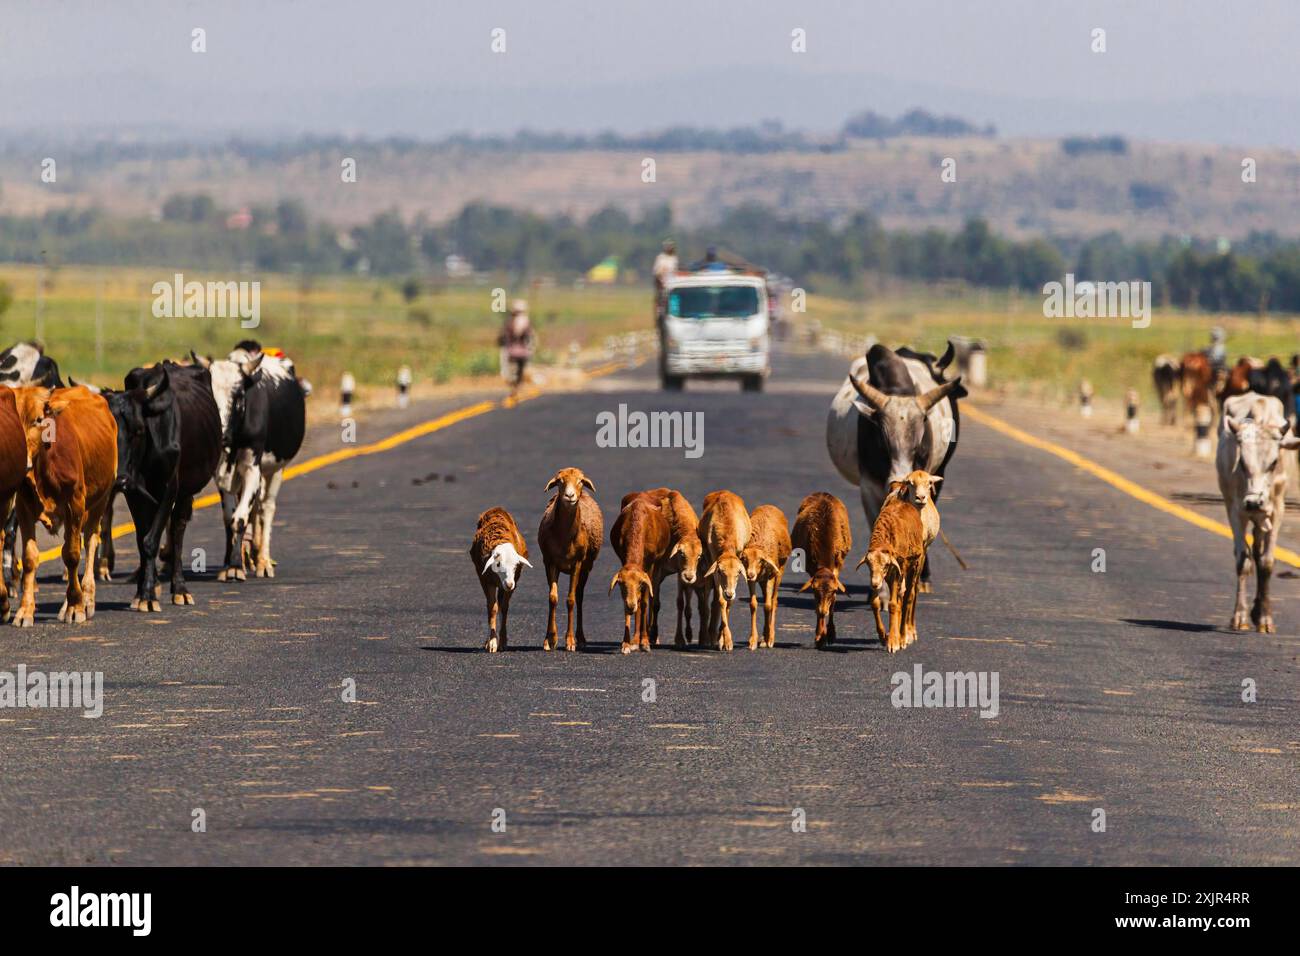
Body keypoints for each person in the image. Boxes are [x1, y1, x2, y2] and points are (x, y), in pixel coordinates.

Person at [498, 299, 535, 394]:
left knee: (516, 367)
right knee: (512, 367)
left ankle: (516, 383)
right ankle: (515, 382)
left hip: (516, 349)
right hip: (515, 349)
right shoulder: (515, 322)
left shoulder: (513, 322)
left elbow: (529, 337)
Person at [652, 239, 678, 326]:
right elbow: (657, 273)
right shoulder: (661, 258)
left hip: (672, 286)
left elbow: (675, 271)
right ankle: (659, 320)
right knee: (660, 305)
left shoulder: (674, 258)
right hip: (662, 285)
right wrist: (660, 284)